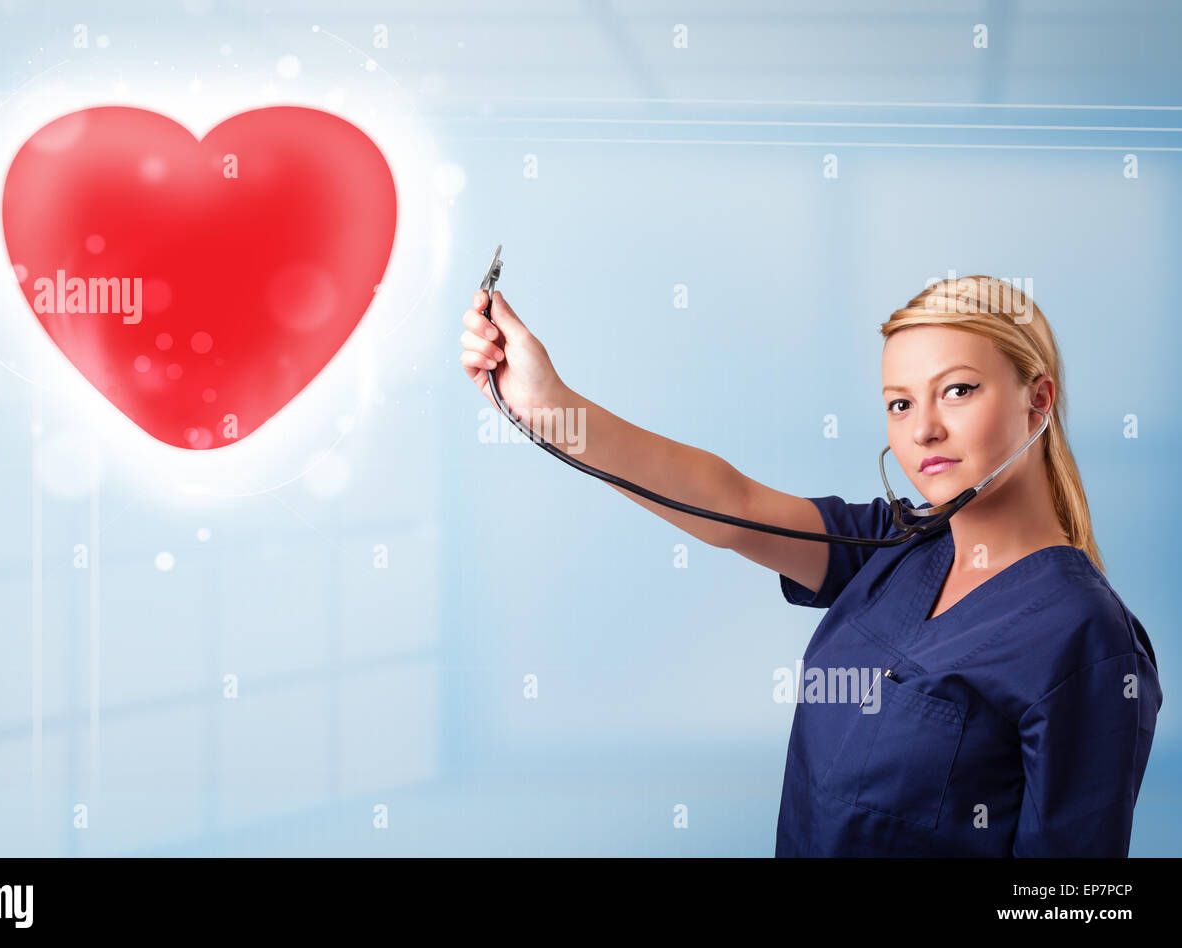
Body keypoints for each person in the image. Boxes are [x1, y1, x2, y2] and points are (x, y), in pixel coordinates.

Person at [459, 275, 1162, 857]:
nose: (923, 431)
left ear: (1037, 401)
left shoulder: (1086, 639)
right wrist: (548, 407)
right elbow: (726, 501)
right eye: (899, 403)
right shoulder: (893, 545)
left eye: (957, 390)